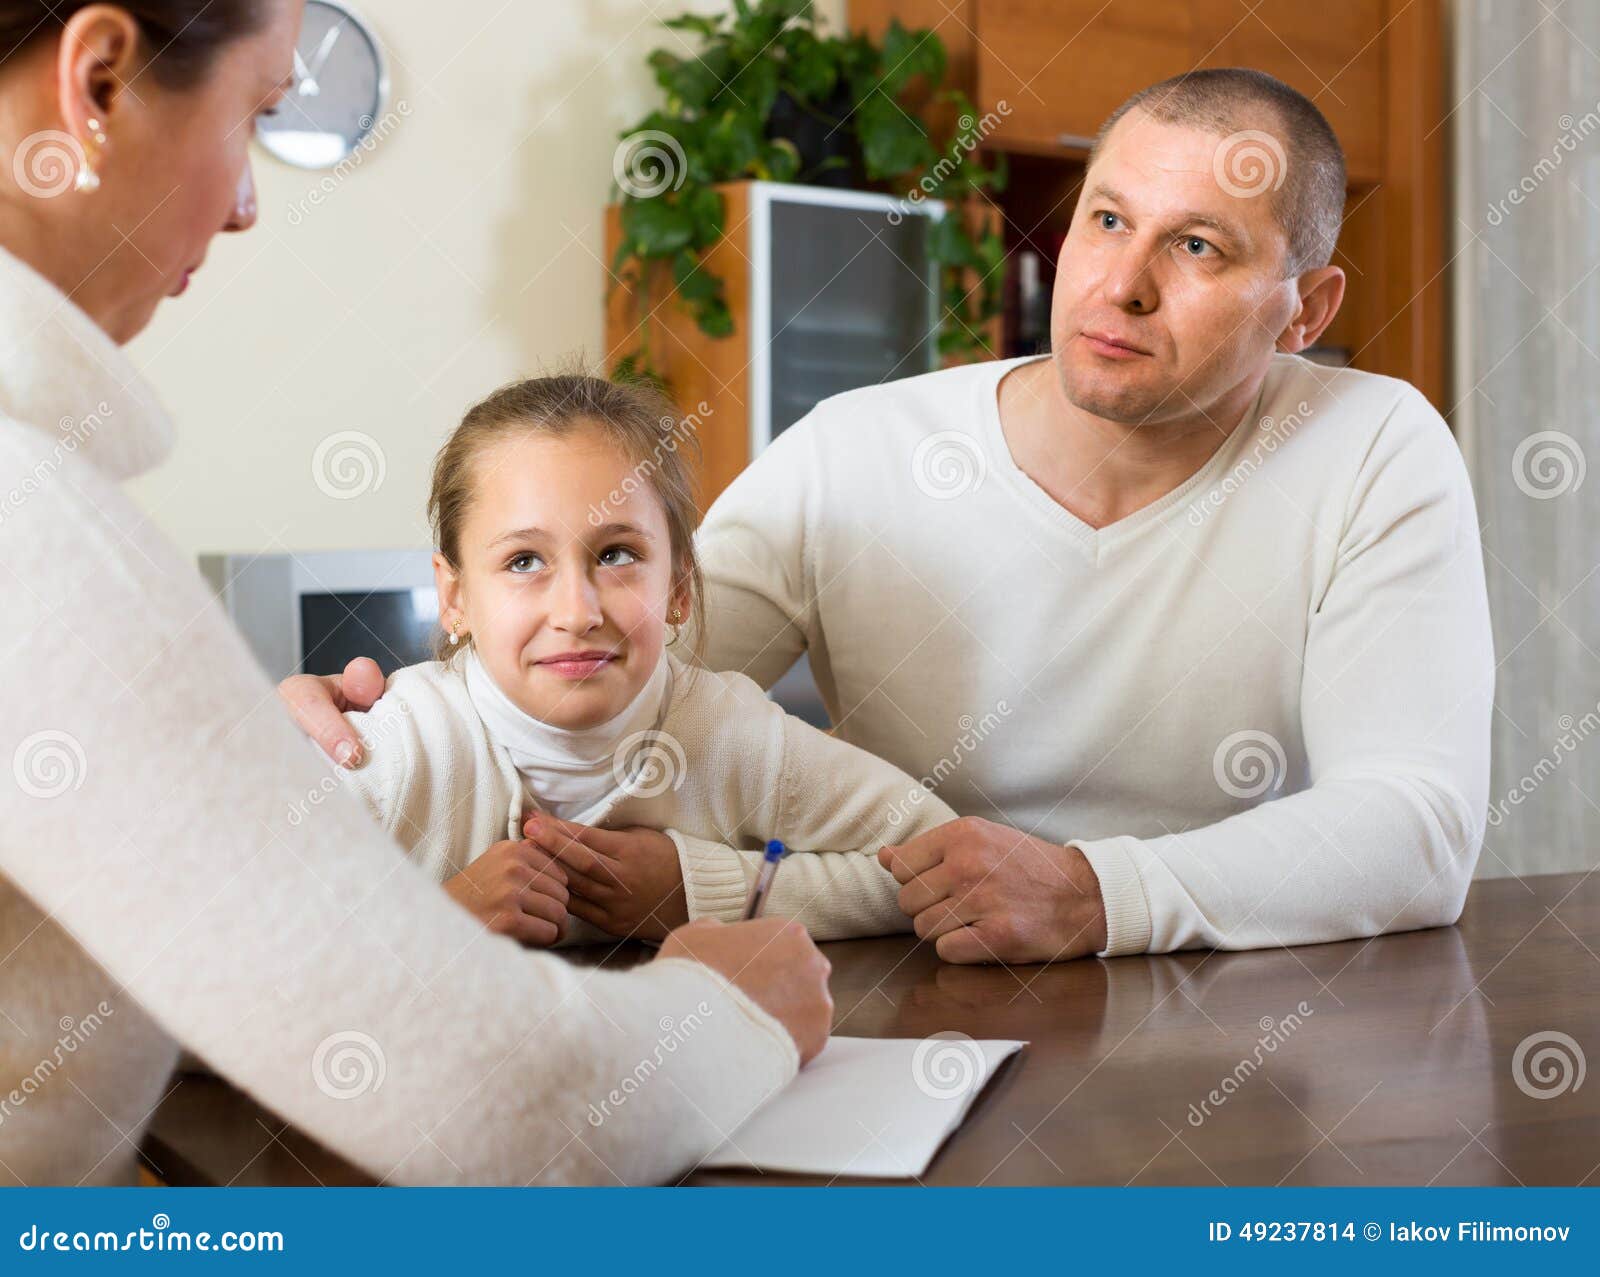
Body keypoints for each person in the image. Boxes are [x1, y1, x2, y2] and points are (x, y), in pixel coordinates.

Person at [291, 69, 1494, 967]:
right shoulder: (854, 454)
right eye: (1106, 219)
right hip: (917, 1000)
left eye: (1197, 246)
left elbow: (1416, 827)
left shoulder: (1373, 445)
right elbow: (599, 667)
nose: (1121, 283)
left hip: (1235, 1021)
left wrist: (1089, 892)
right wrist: (340, 731)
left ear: (1305, 304)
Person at [0, 0, 831, 1188]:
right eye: (257, 117)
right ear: (99, 82)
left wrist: (210, 789)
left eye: (618, 557)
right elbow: (523, 1109)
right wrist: (730, 1006)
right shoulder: (33, 520)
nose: (242, 205)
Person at [338, 371, 956, 946]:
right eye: (524, 561)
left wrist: (704, 895)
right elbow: (248, 951)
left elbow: (945, 862)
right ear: (456, 598)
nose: (577, 613)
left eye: (616, 555)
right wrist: (434, 929)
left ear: (679, 586)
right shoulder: (396, 750)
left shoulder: (734, 737)